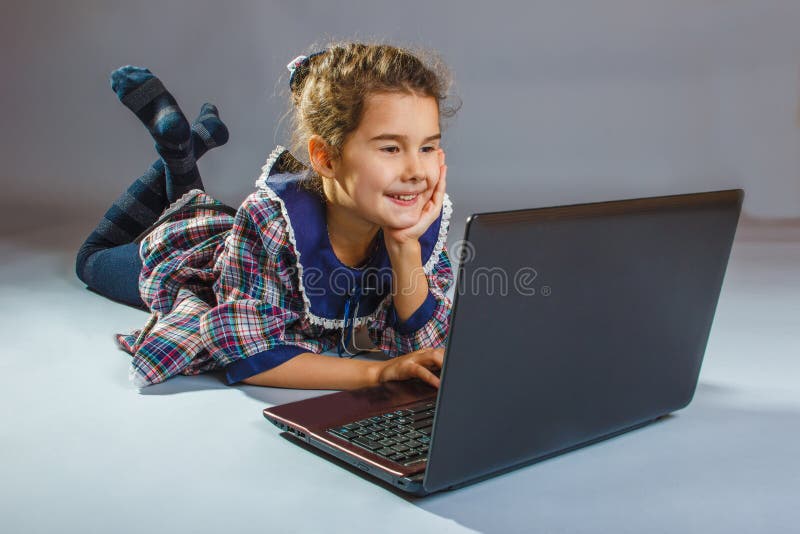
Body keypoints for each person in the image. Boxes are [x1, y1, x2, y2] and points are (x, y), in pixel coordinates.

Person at [75, 41, 460, 390]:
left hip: (243, 248)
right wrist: (379, 372)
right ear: (325, 157)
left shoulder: (414, 224)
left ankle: (184, 150)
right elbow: (253, 355)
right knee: (91, 258)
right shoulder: (270, 222)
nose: (416, 171)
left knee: (192, 198)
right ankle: (176, 154)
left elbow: (426, 349)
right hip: (197, 264)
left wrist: (404, 249)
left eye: (428, 148)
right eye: (391, 148)